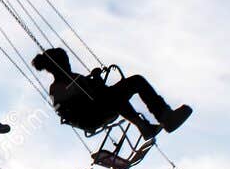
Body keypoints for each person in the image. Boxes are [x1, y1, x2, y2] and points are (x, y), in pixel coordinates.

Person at [31, 47, 192, 141]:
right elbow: (70, 104)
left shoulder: (76, 78)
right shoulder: (57, 87)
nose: (69, 64)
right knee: (113, 95)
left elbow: (97, 91)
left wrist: (96, 78)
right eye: (66, 62)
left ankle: (162, 118)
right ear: (59, 65)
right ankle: (148, 124)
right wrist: (89, 83)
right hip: (89, 117)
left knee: (135, 82)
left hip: (100, 106)